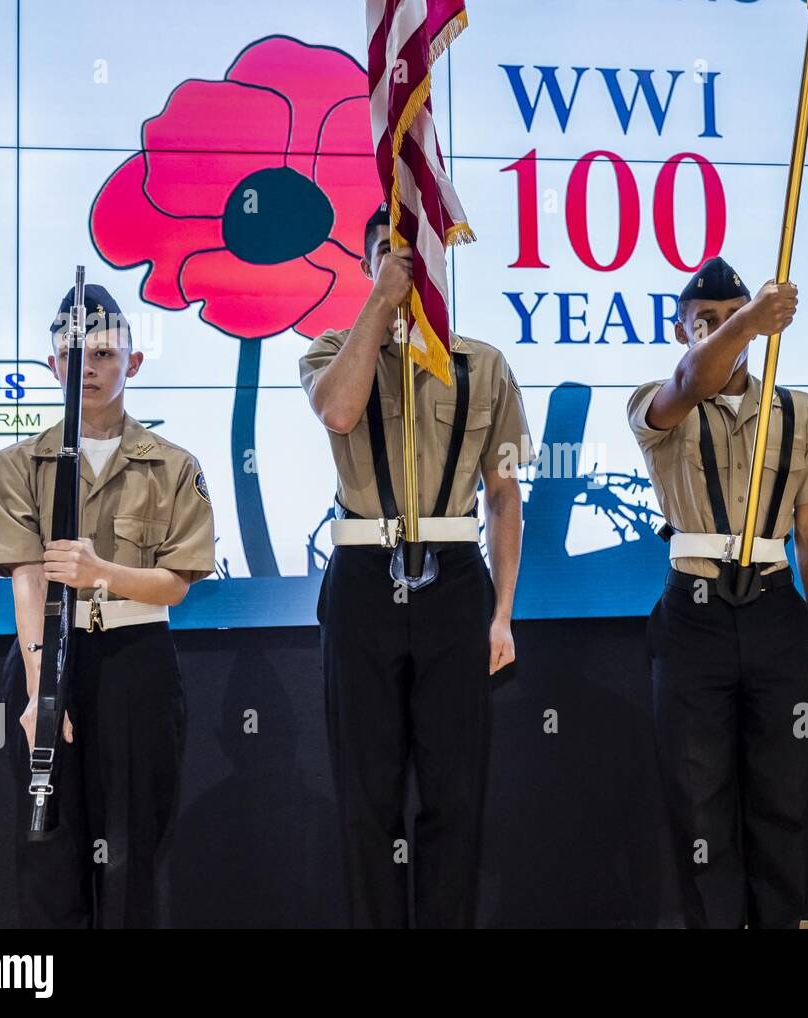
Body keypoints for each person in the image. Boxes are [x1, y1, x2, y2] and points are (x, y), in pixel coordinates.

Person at [299, 203, 531, 928]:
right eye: (384, 252)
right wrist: (381, 300)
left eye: (414, 254)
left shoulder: (483, 364)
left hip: (455, 577)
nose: (400, 263)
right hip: (365, 574)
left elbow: (503, 495)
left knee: (455, 794)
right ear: (366, 262)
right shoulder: (329, 348)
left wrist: (502, 613)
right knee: (366, 796)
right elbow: (338, 413)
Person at [0, 282, 216, 928]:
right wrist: (38, 693)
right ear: (53, 362)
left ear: (133, 362)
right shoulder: (16, 464)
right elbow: (26, 576)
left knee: (134, 853)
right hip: (47, 654)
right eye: (74, 352)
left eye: (106, 352)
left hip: (137, 659)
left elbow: (177, 584)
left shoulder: (173, 465)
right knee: (48, 851)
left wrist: (102, 572)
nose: (89, 365)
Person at [627, 256, 808, 928]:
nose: (721, 331)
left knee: (782, 795)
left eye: (732, 319)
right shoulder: (657, 399)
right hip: (693, 615)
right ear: (679, 329)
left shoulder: (800, 412)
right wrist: (750, 321)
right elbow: (696, 376)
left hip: (775, 610)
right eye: (706, 323)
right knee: (699, 801)